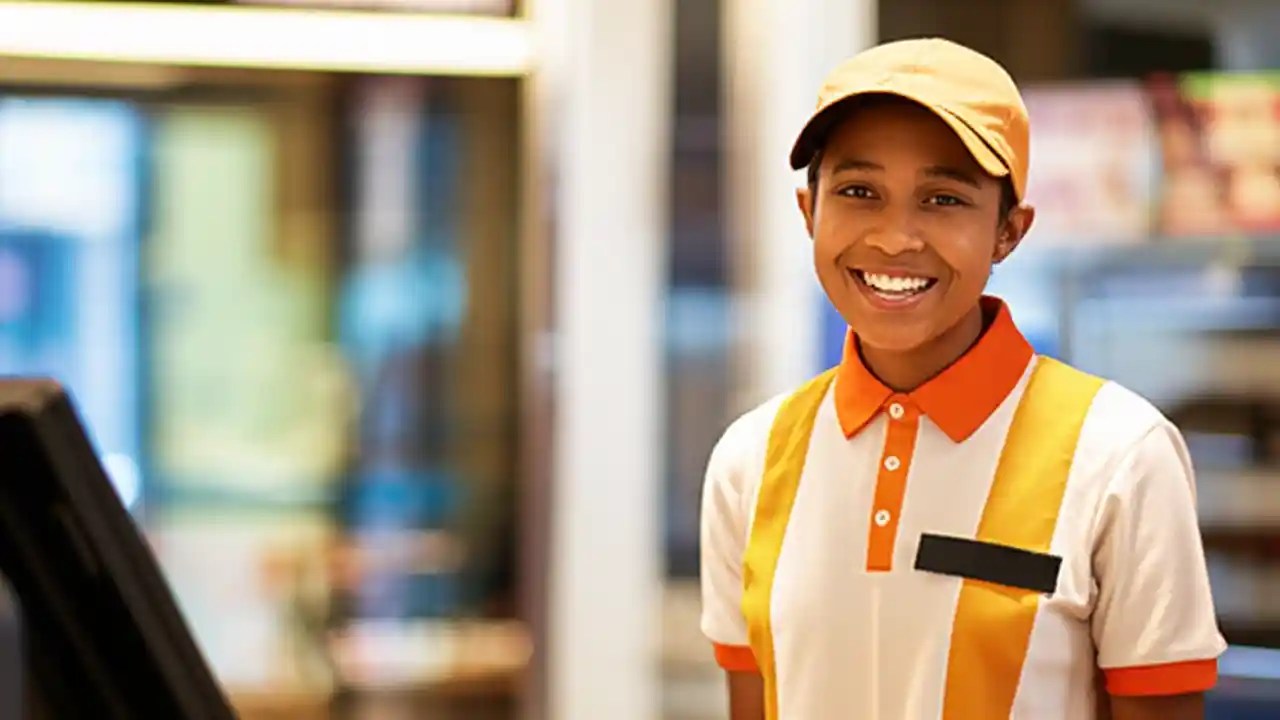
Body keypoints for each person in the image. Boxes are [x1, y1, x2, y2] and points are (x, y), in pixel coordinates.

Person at [699, 37, 1225, 720]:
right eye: (858, 192)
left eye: (943, 199)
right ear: (809, 211)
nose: (895, 238)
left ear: (1010, 231)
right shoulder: (750, 458)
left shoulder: (1121, 454)